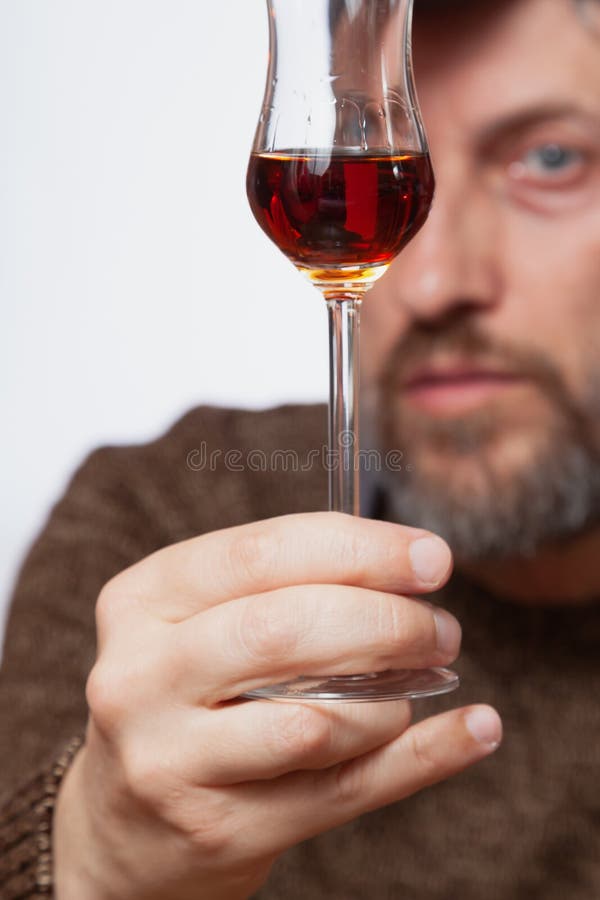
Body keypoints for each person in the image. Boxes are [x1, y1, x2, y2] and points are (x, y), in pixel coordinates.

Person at [1, 0, 599, 897]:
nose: (431, 280)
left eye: (548, 160)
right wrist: (94, 859)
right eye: (390, 130)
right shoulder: (163, 516)